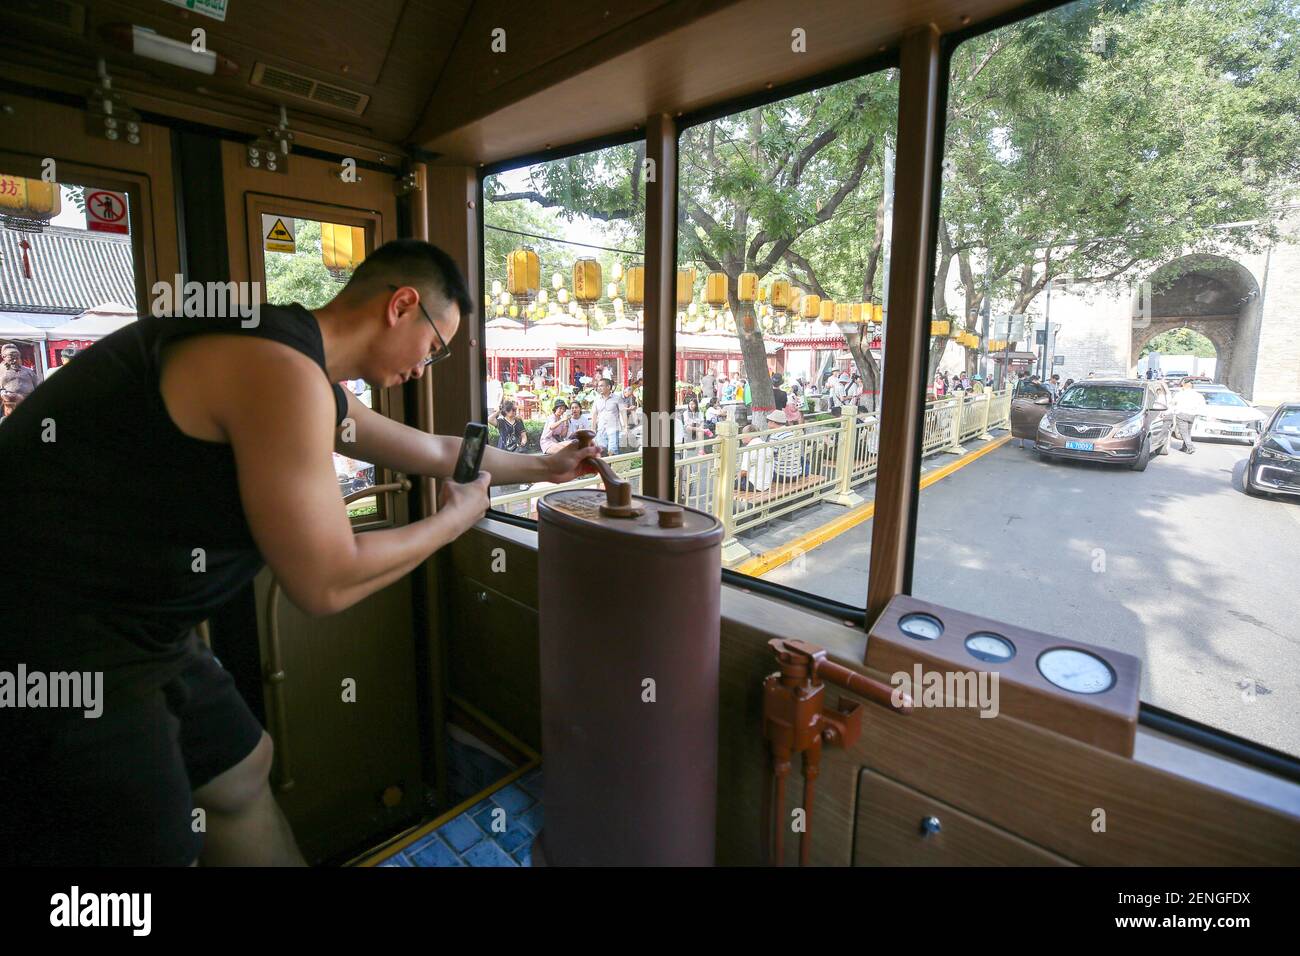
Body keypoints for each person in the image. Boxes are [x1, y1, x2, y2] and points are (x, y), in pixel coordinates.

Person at [0, 238, 599, 866]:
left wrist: (546, 464)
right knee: (151, 846)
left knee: (238, 769)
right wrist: (455, 521)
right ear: (401, 305)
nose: (427, 367)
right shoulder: (276, 369)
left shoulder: (295, 362)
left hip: (144, 621)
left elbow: (437, 453)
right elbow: (327, 583)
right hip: (57, 631)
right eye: (435, 347)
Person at [0, 343, 42, 419]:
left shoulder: (28, 371)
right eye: (11, 357)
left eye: (17, 357)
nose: (15, 360)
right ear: (3, 357)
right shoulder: (1, 371)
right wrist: (3, 393)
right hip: (10, 404)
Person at [592, 377, 626, 455]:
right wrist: (593, 429)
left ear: (608, 387)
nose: (599, 388)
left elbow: (623, 412)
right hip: (601, 430)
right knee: (601, 451)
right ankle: (604, 467)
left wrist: (625, 427)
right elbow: (594, 414)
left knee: (612, 451)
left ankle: (612, 467)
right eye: (598, 386)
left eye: (601, 386)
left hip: (613, 429)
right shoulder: (596, 400)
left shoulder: (617, 398)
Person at [1171, 377, 1206, 454]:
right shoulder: (1198, 395)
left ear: (1184, 385)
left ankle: (1190, 447)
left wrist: (1174, 410)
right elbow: (1202, 405)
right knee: (1188, 432)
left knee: (1183, 432)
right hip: (1192, 415)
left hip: (1181, 414)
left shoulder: (1180, 394)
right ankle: (1184, 447)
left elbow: (1173, 402)